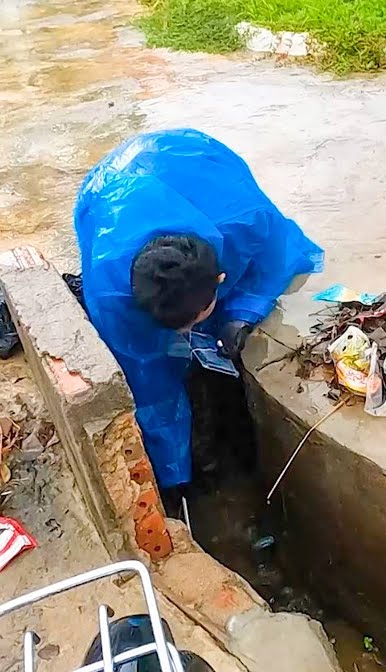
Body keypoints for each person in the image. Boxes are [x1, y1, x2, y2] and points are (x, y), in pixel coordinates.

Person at [74, 129, 323, 501]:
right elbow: (149, 384)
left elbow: (279, 256)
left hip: (194, 160)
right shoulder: (110, 291)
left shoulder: (243, 217)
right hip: (107, 192)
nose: (191, 331)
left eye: (194, 318)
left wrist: (242, 313)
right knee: (148, 365)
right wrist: (175, 476)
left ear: (220, 279)